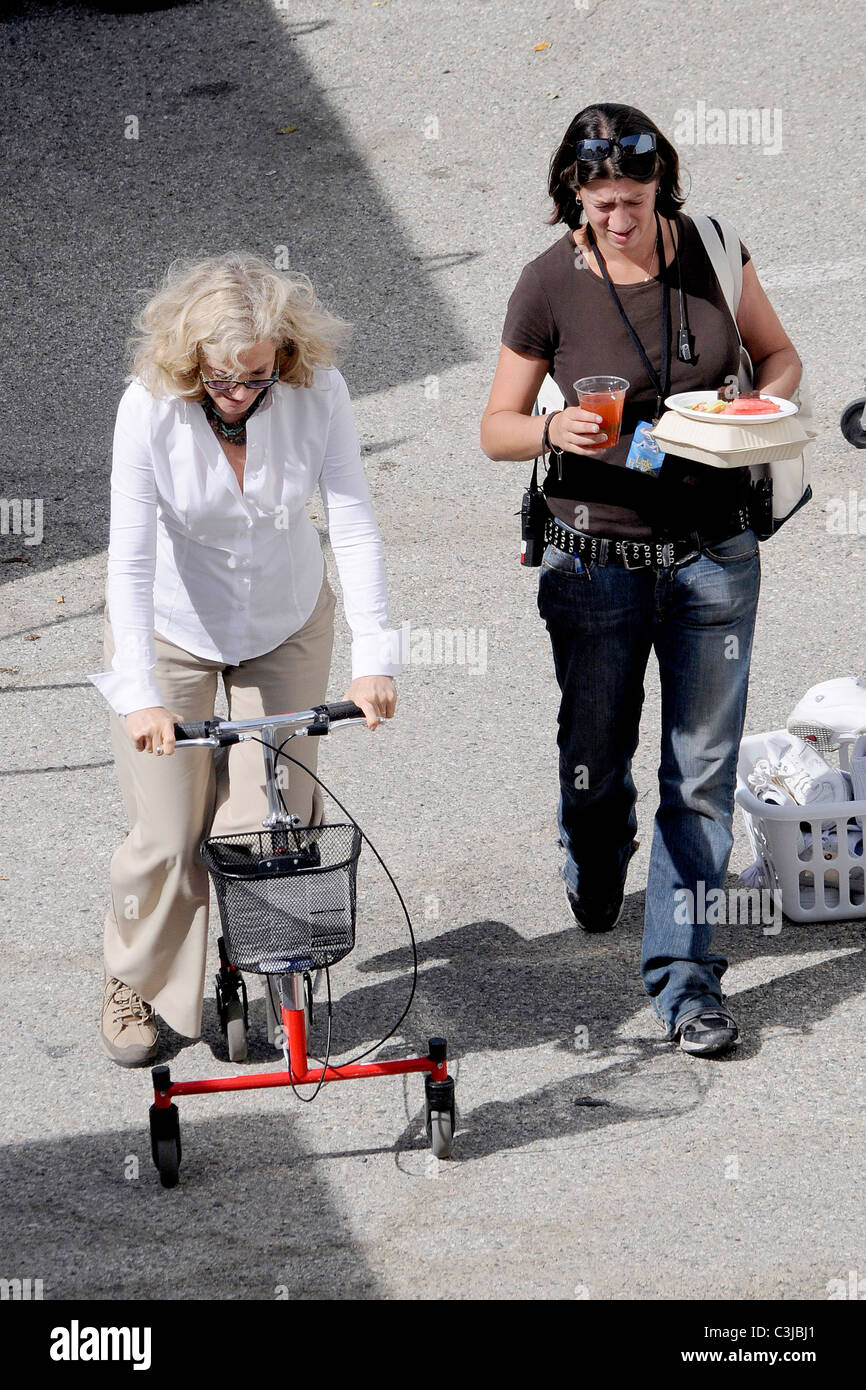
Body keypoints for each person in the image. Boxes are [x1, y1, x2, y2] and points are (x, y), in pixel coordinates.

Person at [481, 103, 802, 1056]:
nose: (618, 220)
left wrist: (759, 401)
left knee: (700, 776)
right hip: (596, 562)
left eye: (634, 198)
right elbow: (494, 423)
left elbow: (780, 355)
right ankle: (593, 852)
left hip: (716, 555)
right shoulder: (547, 284)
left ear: (664, 185)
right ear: (571, 198)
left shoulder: (712, 248)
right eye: (599, 202)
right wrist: (548, 429)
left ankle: (686, 981)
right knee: (596, 759)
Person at [89, 252, 399, 1065]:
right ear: (189, 358)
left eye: (254, 374)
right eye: (219, 376)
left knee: (274, 816)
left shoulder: (315, 390)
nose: (237, 391)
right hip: (170, 629)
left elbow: (354, 520)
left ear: (282, 354)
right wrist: (141, 695)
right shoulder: (148, 408)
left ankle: (274, 964)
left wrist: (375, 658)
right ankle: (141, 979)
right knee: (166, 832)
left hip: (284, 619)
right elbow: (127, 559)